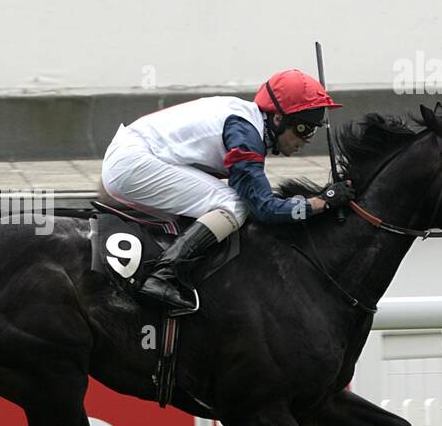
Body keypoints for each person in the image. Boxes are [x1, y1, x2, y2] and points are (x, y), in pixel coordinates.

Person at [101, 68, 355, 311]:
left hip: (133, 156)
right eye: (304, 128)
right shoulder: (245, 135)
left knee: (223, 202)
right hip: (133, 163)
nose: (308, 138)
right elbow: (263, 209)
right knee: (233, 205)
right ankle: (164, 275)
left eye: (313, 129)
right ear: (278, 118)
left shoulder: (248, 121)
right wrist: (321, 202)